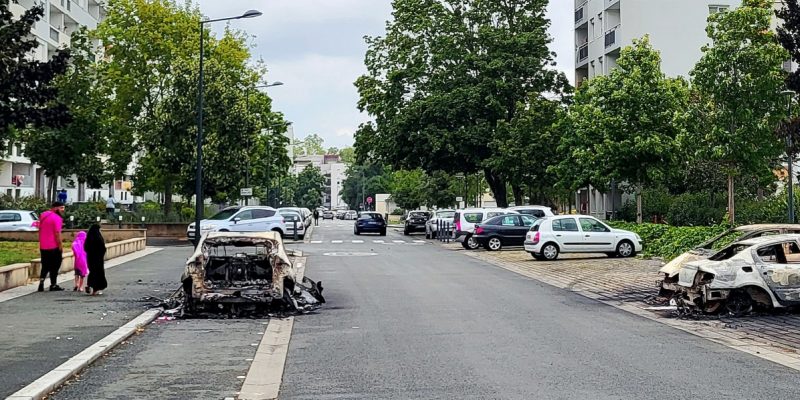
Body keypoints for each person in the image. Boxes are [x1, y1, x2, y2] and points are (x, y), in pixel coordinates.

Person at [38, 202, 66, 292]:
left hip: (43, 246)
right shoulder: (57, 218)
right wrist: (60, 246)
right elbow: (57, 233)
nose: (63, 210)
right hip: (53, 246)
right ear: (55, 208)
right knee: (55, 265)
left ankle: (41, 283)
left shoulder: (43, 215)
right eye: (61, 208)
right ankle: (53, 284)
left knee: (45, 265)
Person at [84, 224, 107, 296]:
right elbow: (103, 248)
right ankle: (95, 290)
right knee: (98, 273)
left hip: (90, 258)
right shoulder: (99, 238)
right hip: (98, 259)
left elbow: (85, 248)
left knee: (92, 272)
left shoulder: (88, 238)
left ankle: (89, 285)